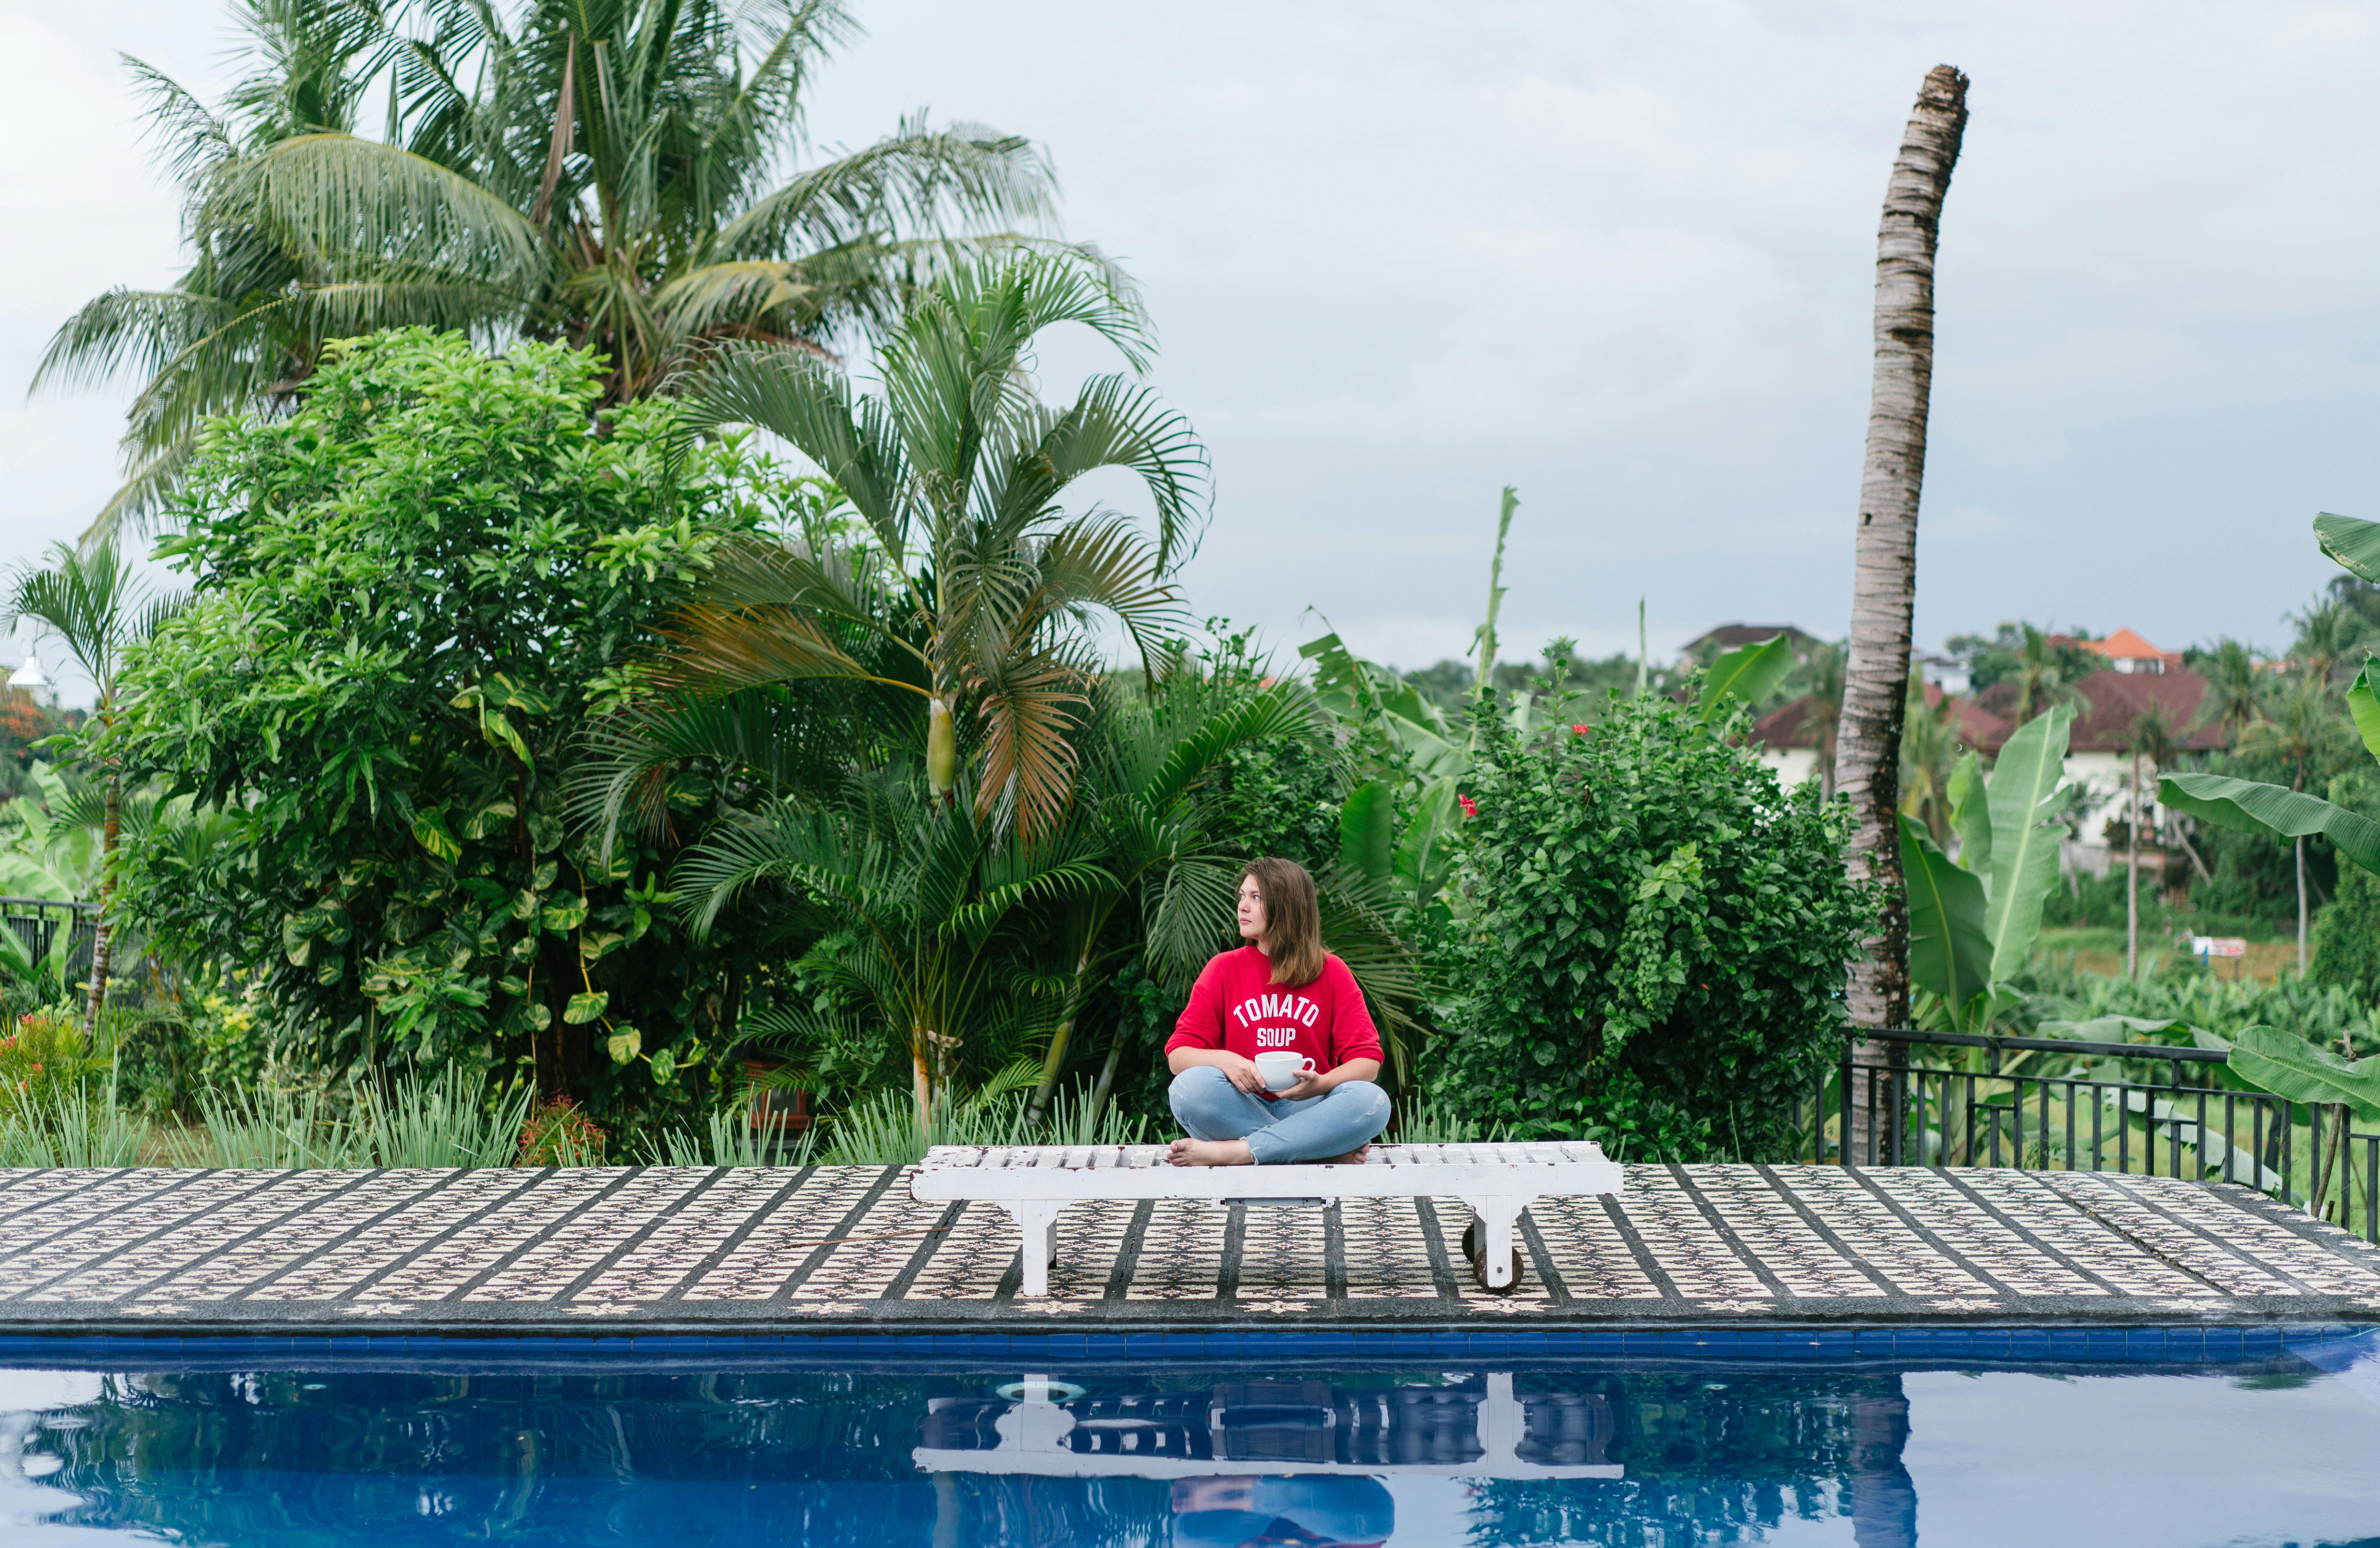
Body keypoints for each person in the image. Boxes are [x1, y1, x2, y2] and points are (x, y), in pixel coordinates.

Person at [1165, 857, 1391, 1166]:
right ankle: (1318, 1150)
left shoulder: (1332, 971)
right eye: (1242, 896)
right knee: (1187, 1089)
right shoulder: (1223, 969)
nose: (1242, 906)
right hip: (1238, 1104)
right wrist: (1225, 1060)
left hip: (1310, 1107)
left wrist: (1322, 1084)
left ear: (1287, 906)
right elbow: (1178, 1056)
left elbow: (1368, 1061)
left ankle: (1239, 1153)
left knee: (1372, 1101)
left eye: (1256, 897)